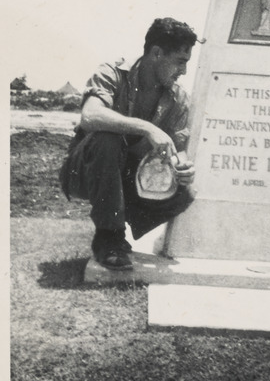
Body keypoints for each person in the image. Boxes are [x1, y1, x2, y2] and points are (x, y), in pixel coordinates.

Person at [59, 17, 198, 271]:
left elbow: (178, 149)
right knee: (107, 139)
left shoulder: (178, 98)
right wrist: (148, 128)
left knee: (185, 194)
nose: (184, 71)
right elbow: (90, 116)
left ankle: (120, 220)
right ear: (156, 53)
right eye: (180, 61)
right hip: (85, 169)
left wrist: (183, 166)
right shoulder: (112, 73)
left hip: (129, 179)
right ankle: (109, 237)